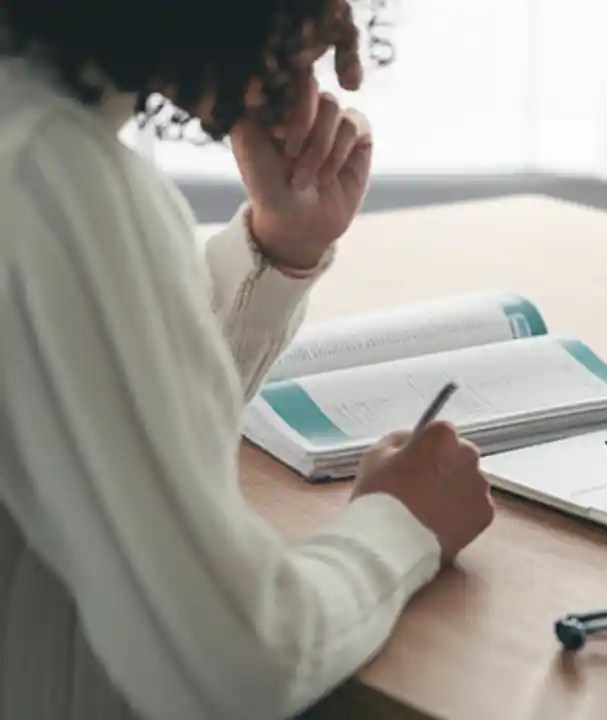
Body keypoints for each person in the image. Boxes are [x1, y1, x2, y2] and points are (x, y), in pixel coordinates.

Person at [0, 2, 495, 718]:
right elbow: (237, 663)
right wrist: (401, 523)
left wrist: (280, 252)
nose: (341, 23)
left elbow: (105, 434)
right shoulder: (50, 179)